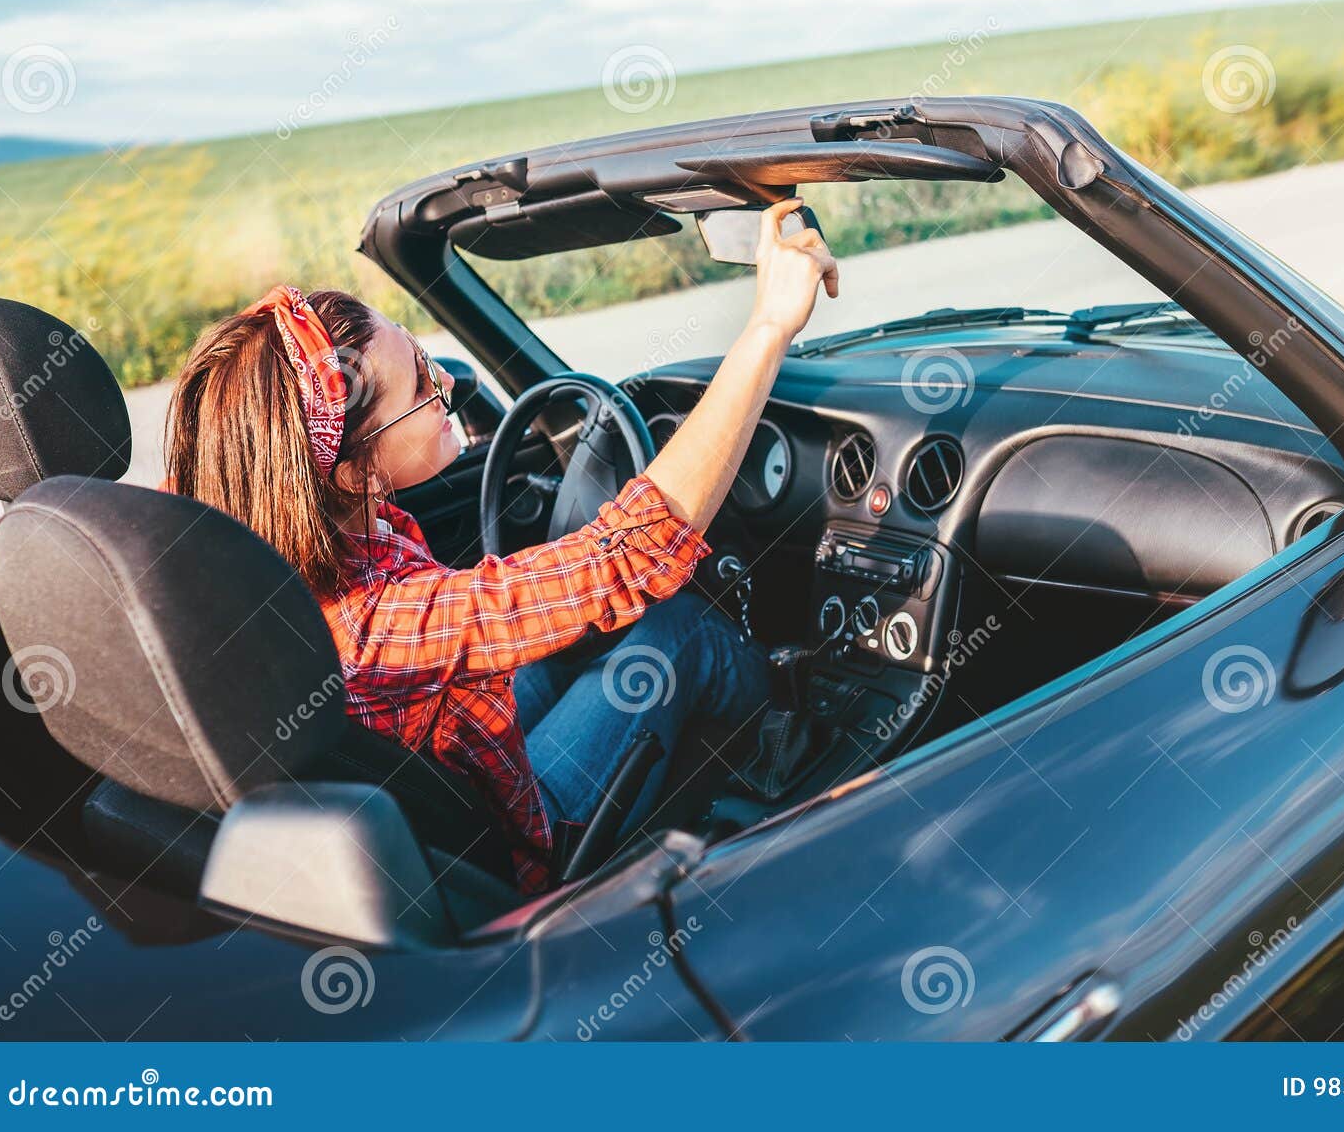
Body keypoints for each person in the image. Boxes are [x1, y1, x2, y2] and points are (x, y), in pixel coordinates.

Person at [162, 199, 839, 891]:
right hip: (511, 848)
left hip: (454, 765)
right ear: (355, 469)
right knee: (678, 627)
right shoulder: (378, 623)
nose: (450, 383)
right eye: (423, 386)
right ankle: (816, 743)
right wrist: (769, 326)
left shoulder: (248, 550)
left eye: (424, 354)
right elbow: (632, 553)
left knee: (599, 631)